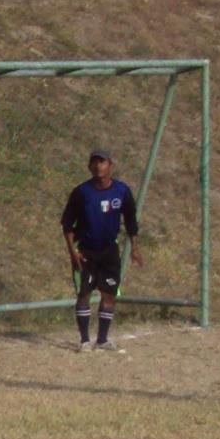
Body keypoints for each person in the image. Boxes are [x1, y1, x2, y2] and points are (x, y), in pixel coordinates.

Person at [61, 150, 141, 352]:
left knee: (109, 294)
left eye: (102, 162)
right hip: (85, 251)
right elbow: (68, 224)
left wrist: (135, 247)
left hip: (109, 251)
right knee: (84, 293)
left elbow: (131, 220)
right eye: (94, 163)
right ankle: (85, 341)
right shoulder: (81, 193)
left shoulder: (121, 191)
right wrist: (72, 251)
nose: (98, 166)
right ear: (89, 167)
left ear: (110, 165)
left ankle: (103, 339)